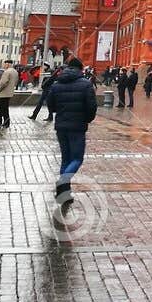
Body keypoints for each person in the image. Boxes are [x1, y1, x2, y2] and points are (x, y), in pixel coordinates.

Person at [46, 56, 97, 206]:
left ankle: (64, 195)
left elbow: (50, 105)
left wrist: (59, 112)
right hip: (77, 127)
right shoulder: (86, 84)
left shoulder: (57, 84)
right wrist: (86, 119)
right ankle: (63, 182)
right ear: (80, 69)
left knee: (65, 159)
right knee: (77, 159)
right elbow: (92, 107)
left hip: (61, 126)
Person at [0, 59, 18, 129]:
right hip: (10, 92)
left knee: (1, 108)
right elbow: (16, 82)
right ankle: (5, 122)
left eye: (5, 64)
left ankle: (0, 121)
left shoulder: (7, 72)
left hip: (4, 92)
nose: (4, 65)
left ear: (8, 64)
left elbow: (4, 82)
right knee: (5, 108)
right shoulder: (15, 72)